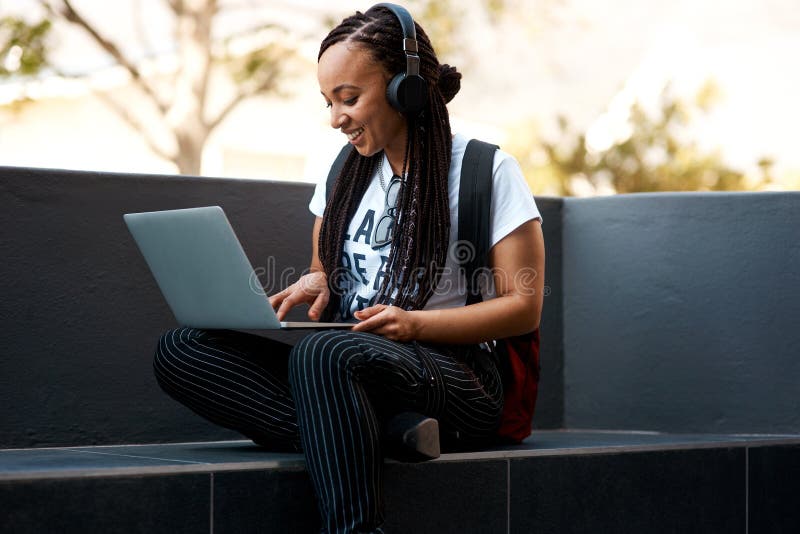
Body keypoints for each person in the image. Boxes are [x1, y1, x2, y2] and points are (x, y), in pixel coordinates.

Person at [152, 3, 544, 532]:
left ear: (406, 88)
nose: (336, 118)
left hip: (460, 376)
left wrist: (415, 324)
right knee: (183, 349)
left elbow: (523, 307)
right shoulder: (344, 172)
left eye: (349, 98)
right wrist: (317, 278)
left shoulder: (484, 170)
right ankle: (384, 432)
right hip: (350, 367)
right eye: (328, 102)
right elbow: (325, 265)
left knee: (322, 353)